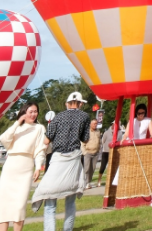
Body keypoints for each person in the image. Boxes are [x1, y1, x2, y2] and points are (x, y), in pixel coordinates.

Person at [31, 92, 90, 231]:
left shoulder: (58, 117)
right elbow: (85, 139)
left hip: (58, 160)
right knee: (70, 202)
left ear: (67, 104)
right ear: (80, 103)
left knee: (50, 202)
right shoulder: (84, 116)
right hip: (74, 160)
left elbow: (46, 140)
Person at [0, 102, 47, 231]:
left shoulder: (39, 128)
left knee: (20, 206)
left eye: (35, 111)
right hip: (10, 167)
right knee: (4, 205)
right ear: (24, 112)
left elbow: (40, 150)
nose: (33, 114)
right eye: (30, 111)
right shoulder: (17, 128)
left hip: (26, 169)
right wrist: (17, 123)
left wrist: (38, 167)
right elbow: (4, 139)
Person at [81, 119, 101, 185]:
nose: (95, 125)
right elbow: (82, 143)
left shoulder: (98, 132)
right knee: (86, 168)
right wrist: (84, 152)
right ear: (90, 124)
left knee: (92, 168)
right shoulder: (87, 132)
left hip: (95, 153)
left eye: (96, 123)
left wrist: (99, 150)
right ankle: (84, 182)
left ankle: (88, 182)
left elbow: (100, 142)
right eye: (94, 123)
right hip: (88, 152)